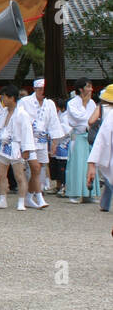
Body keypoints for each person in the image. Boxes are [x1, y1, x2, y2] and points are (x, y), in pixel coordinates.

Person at [16, 78, 65, 209]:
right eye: (40, 89)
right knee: (35, 168)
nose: (42, 92)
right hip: (28, 139)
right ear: (35, 89)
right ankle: (39, 196)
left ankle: (29, 197)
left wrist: (54, 142)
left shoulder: (50, 104)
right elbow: (18, 119)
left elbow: (54, 123)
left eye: (44, 89)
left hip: (42, 141)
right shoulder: (25, 102)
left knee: (37, 171)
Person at [0, 83, 35, 210]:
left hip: (16, 145)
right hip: (3, 145)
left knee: (19, 175)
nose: (3, 100)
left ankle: (21, 201)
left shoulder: (22, 114)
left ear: (12, 98)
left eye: (4, 97)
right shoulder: (3, 112)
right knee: (0, 174)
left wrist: (26, 149)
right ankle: (2, 199)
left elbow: (27, 132)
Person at [64, 79, 101, 203]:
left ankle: (89, 194)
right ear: (81, 89)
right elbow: (79, 118)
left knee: (89, 165)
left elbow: (95, 118)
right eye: (88, 87)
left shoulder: (92, 103)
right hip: (79, 136)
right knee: (77, 165)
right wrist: (90, 117)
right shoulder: (72, 103)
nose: (91, 89)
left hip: (90, 136)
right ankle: (74, 193)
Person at [85, 84, 113, 219]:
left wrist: (92, 164)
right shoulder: (110, 114)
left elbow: (101, 138)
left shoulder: (102, 109)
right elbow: (102, 139)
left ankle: (105, 204)